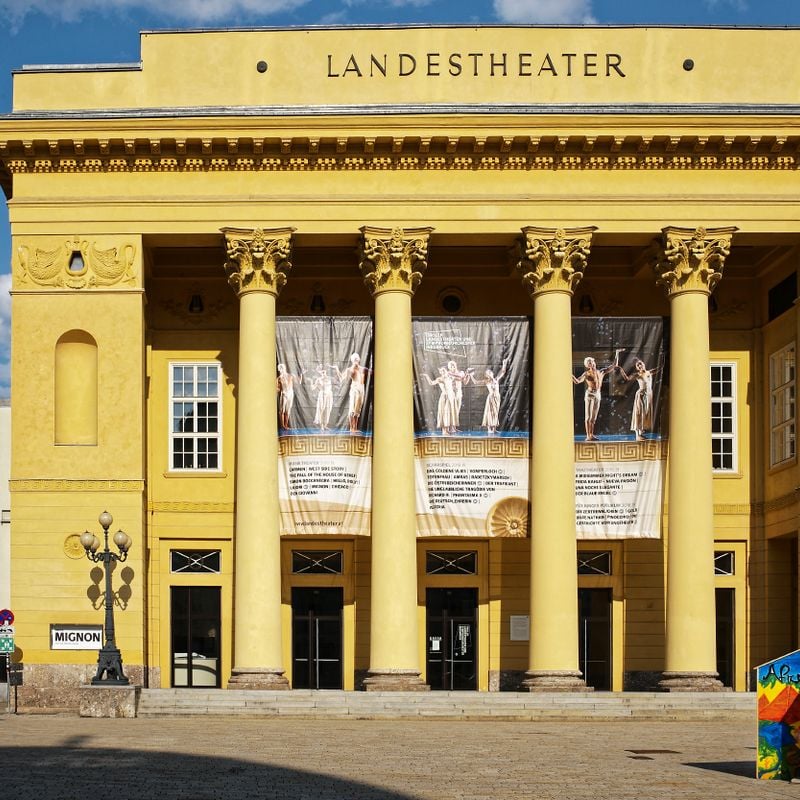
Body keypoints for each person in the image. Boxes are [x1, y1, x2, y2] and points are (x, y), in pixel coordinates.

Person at [572, 350, 621, 441]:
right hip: (590, 394)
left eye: (592, 362)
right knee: (588, 417)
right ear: (587, 365)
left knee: (593, 417)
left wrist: (617, 353)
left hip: (597, 394)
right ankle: (588, 436)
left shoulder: (601, 371)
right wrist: (570, 374)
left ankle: (591, 434)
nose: (592, 364)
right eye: (589, 363)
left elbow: (614, 365)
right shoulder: (586, 374)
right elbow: (577, 381)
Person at [618, 358, 661, 441]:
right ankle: (638, 434)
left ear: (644, 364)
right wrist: (621, 369)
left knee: (645, 413)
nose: (640, 365)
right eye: (638, 365)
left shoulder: (649, 372)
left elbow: (659, 368)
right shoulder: (637, 374)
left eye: (641, 363)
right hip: (641, 395)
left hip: (648, 395)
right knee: (639, 413)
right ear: (637, 367)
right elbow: (627, 378)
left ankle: (641, 433)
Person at [334, 352, 371, 434]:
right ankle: (351, 428)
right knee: (352, 408)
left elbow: (371, 372)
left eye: (357, 359)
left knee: (358, 409)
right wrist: (337, 369)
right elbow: (341, 378)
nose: (356, 360)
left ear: (359, 360)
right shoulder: (349, 370)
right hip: (354, 388)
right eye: (354, 359)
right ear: (352, 360)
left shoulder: (362, 369)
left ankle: (355, 427)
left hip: (361, 389)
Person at [471, 359, 509, 436]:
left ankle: (494, 428)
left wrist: (504, 364)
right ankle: (489, 428)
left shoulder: (496, 379)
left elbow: (503, 371)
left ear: (492, 373)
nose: (490, 374)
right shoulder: (486, 381)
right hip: (491, 397)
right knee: (489, 412)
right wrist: (471, 375)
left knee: (495, 412)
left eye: (490, 372)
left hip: (497, 397)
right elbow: (476, 382)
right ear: (486, 375)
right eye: (488, 373)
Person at [423, 366, 458, 435]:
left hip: (451, 397)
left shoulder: (450, 378)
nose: (443, 372)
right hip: (445, 397)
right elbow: (431, 383)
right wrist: (426, 376)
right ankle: (444, 430)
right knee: (444, 413)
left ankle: (448, 429)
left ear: (446, 371)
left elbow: (455, 382)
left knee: (450, 413)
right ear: (440, 372)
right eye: (441, 371)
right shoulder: (440, 379)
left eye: (444, 370)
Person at [446, 360, 474, 432]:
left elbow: (465, 382)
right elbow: (459, 377)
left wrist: (468, 376)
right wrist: (465, 374)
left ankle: (454, 427)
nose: (453, 367)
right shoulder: (449, 373)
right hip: (452, 394)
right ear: (449, 367)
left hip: (458, 393)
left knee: (457, 410)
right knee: (452, 410)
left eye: (454, 365)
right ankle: (451, 427)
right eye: (451, 366)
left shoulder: (461, 373)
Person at [277, 363, 306, 430]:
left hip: (290, 394)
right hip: (284, 394)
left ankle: (286, 425)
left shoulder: (290, 376)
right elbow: (277, 388)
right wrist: (279, 389)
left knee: (288, 410)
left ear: (284, 369)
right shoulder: (279, 378)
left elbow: (299, 381)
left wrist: (301, 374)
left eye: (282, 368)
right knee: (282, 410)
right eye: (280, 369)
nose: (281, 370)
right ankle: (283, 426)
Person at [312, 364, 334, 432]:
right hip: (322, 395)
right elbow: (313, 388)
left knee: (328, 410)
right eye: (321, 372)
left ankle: (325, 425)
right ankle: (321, 425)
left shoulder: (329, 378)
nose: (323, 373)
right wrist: (311, 382)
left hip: (329, 394)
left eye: (324, 372)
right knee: (322, 409)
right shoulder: (318, 379)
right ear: (319, 372)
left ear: (326, 371)